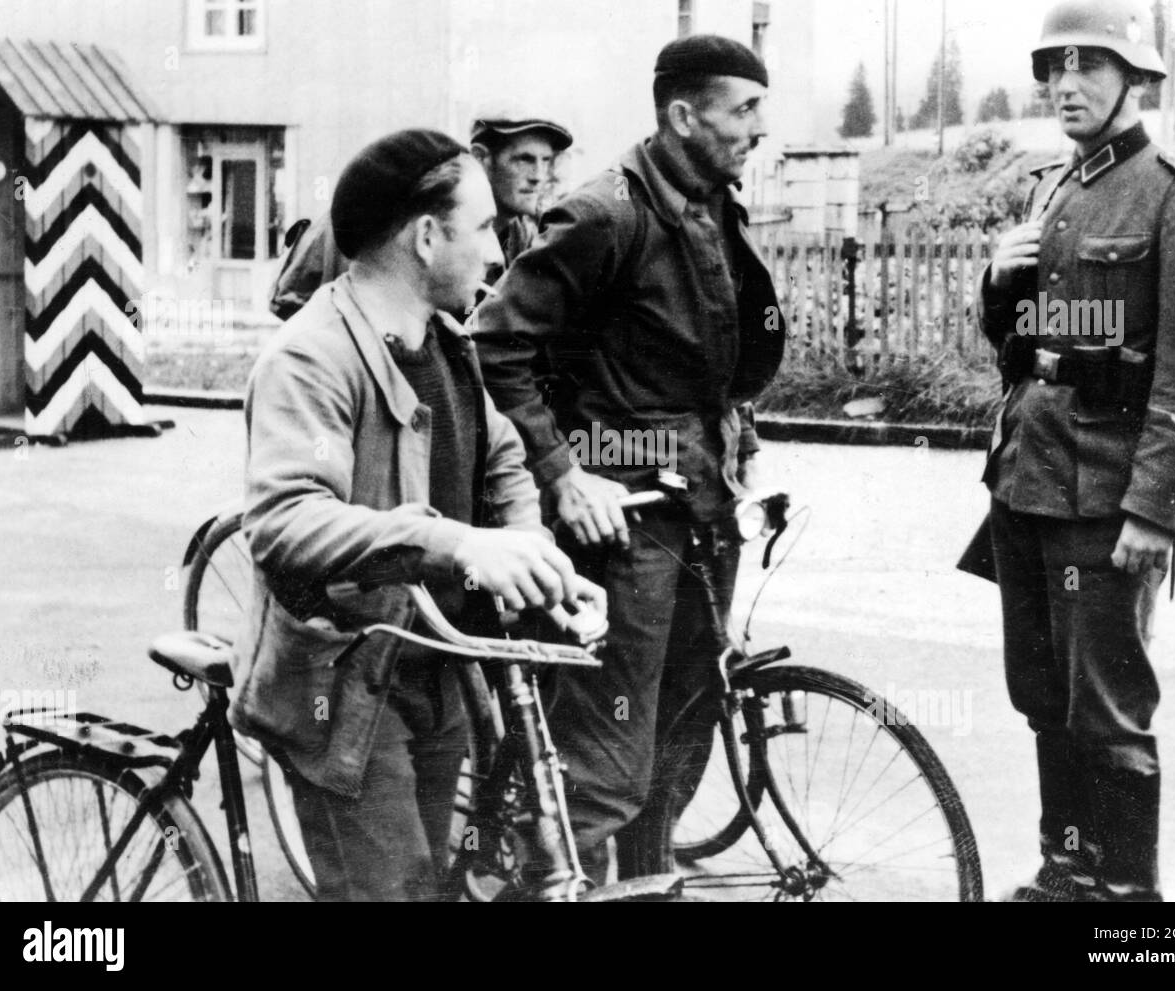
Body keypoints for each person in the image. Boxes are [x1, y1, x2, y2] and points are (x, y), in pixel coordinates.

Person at [229, 129, 605, 901]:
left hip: (436, 674)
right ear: (427, 237)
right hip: (350, 689)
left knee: (434, 885)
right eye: (485, 229)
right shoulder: (310, 357)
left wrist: (535, 558)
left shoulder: (448, 344)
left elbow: (501, 460)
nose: (501, 255)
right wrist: (453, 542)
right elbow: (285, 520)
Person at [470, 34, 783, 882]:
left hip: (701, 508)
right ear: (684, 116)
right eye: (744, 109)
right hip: (627, 525)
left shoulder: (713, 200)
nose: (760, 127)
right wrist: (562, 473)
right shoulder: (607, 213)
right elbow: (495, 343)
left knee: (686, 725)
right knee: (606, 764)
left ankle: (647, 886)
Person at [963, 0, 1175, 902]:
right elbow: (1021, 347)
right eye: (1053, 67)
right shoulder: (1054, 186)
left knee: (1110, 709)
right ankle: (1068, 870)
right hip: (1027, 480)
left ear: (1136, 79)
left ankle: (1127, 904)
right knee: (1042, 696)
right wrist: (997, 281)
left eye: (1086, 64)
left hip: (1107, 492)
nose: (1065, 84)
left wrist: (1158, 509)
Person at [269, 112, 573, 319]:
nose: (538, 176)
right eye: (524, 160)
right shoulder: (396, 214)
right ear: (481, 157)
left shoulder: (523, 235)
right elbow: (296, 303)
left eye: (546, 161)